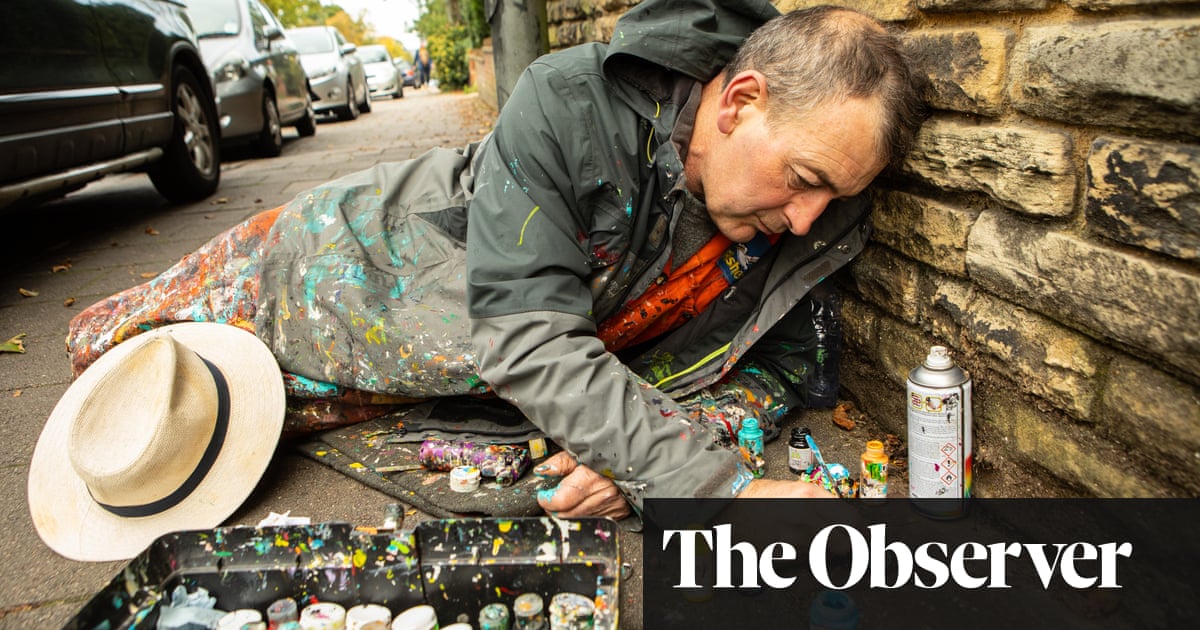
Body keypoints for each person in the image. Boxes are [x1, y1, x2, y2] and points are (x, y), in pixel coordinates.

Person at [64, 0, 924, 521]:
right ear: (740, 103)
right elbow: (529, 337)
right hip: (339, 265)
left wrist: (658, 452)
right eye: (805, 180)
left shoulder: (811, 210)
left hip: (441, 374)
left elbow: (784, 368)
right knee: (120, 367)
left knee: (254, 432)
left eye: (835, 196)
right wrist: (713, 490)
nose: (808, 218)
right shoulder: (569, 101)